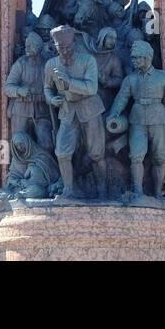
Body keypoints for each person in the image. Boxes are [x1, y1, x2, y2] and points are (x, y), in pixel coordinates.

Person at [106, 41, 165, 199]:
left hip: (158, 120)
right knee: (136, 156)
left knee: (160, 157)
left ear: (146, 58)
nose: (134, 61)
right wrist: (113, 114)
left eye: (137, 58)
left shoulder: (162, 77)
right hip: (137, 121)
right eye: (133, 58)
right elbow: (121, 98)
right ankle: (138, 192)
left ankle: (157, 193)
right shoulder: (130, 79)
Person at [44, 25, 107, 200]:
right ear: (55, 46)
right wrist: (51, 99)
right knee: (62, 152)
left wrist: (69, 81)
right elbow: (47, 88)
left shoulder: (87, 61)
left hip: (90, 109)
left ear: (74, 43)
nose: (64, 50)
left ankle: (103, 189)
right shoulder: (51, 65)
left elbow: (92, 88)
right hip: (67, 110)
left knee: (96, 153)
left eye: (67, 46)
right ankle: (69, 190)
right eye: (60, 47)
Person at [4, 32, 54, 153]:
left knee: (46, 144)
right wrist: (19, 91)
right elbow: (8, 87)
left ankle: (42, 169)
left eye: (31, 45)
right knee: (19, 145)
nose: (27, 48)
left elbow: (54, 86)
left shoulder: (47, 64)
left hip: (42, 111)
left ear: (39, 47)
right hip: (21, 110)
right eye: (26, 45)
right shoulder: (20, 64)